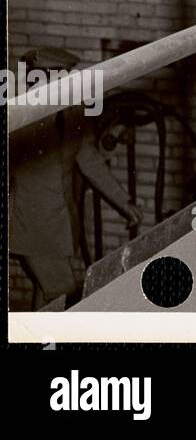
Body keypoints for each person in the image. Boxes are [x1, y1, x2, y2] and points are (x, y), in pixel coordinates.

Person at [9, 48, 142, 309]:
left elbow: (88, 158)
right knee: (64, 292)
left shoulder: (72, 111)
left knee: (48, 292)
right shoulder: (19, 116)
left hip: (58, 224)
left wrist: (123, 203)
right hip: (30, 223)